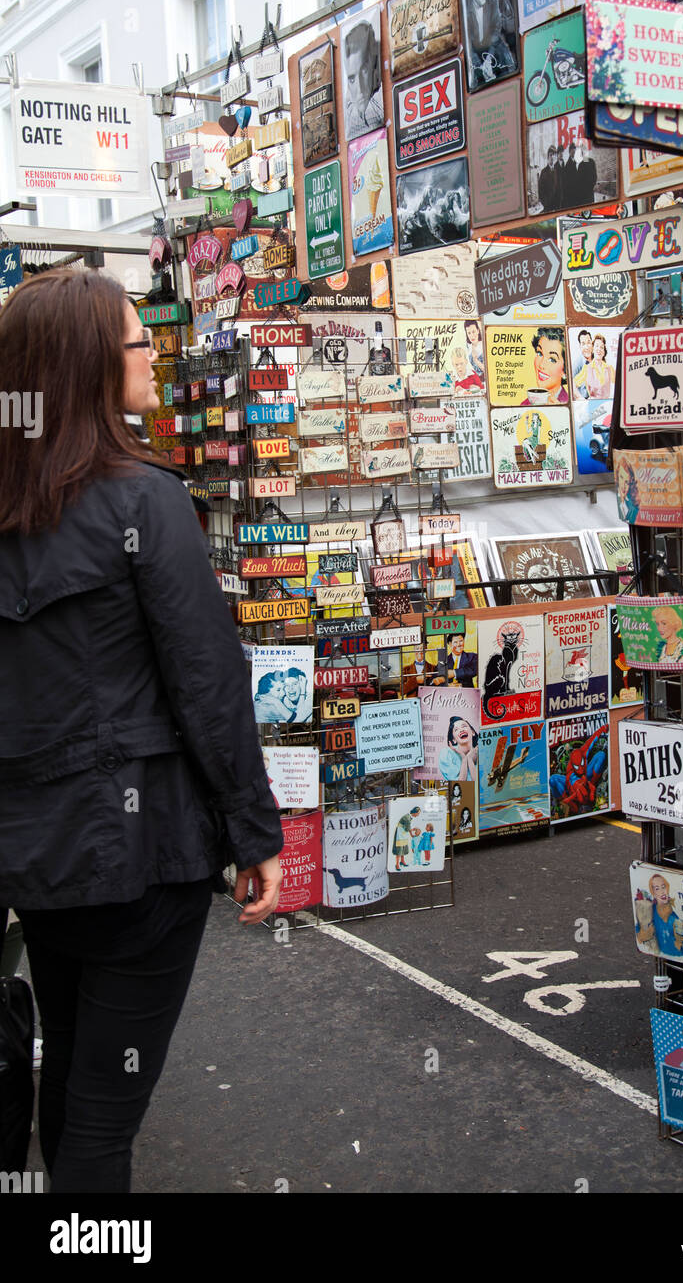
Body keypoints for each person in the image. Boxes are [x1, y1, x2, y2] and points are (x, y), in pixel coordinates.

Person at [0, 271, 283, 1194]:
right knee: (102, 1124)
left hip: (39, 860)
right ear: (88, 366)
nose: (153, 353)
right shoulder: (144, 502)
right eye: (134, 341)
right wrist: (255, 832)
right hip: (139, 851)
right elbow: (207, 683)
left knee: (76, 1074)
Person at [462, 0, 516, 90]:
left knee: (510, 67)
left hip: (493, 46)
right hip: (475, 56)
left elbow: (496, 28)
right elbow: (468, 46)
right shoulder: (464, 6)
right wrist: (481, 66)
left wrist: (489, 58)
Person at [343, 18, 384, 136]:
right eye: (352, 79)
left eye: (364, 71)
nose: (359, 88)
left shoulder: (379, 105)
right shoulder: (349, 115)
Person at [636, 873, 683, 960]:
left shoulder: (674, 914)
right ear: (652, 892)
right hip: (662, 957)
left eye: (663, 887)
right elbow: (638, 933)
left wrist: (680, 942)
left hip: (676, 957)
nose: (662, 892)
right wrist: (642, 935)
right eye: (657, 889)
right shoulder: (648, 912)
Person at [521, 327, 568, 405]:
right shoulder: (524, 404)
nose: (541, 365)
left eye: (552, 359)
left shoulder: (567, 403)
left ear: (565, 371)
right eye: (540, 353)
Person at [438, 716, 479, 782]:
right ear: (453, 739)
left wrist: (470, 760)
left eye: (464, 726)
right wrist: (464, 759)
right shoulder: (446, 754)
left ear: (473, 732)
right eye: (456, 729)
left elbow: (481, 786)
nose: (461, 730)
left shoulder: (482, 752)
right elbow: (459, 785)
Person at [615, 456, 641, 524]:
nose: (623, 486)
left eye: (627, 482)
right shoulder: (617, 498)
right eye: (621, 477)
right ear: (617, 476)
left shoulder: (634, 505)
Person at [574, 141, 598, 206]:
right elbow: (578, 179)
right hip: (583, 193)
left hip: (590, 191)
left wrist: (592, 185)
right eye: (582, 151)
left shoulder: (592, 162)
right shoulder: (581, 165)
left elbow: (594, 176)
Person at [538, 146, 559, 213]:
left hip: (557, 207)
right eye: (551, 155)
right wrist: (546, 205)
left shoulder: (558, 171)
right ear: (548, 157)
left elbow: (560, 190)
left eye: (554, 155)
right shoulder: (543, 172)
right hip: (547, 208)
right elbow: (540, 192)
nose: (552, 157)